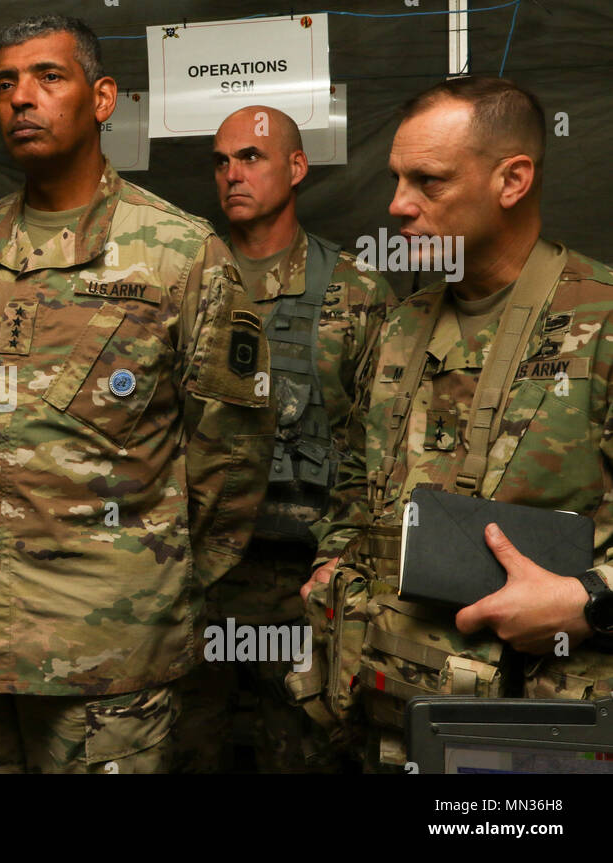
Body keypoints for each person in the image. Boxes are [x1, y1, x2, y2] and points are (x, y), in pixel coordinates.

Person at [0, 14, 275, 774]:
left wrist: (152, 579)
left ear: (103, 98)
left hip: (104, 652)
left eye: (47, 77)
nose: (21, 100)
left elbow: (232, 453)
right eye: (5, 85)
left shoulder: (178, 251)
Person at [299, 75, 613, 770]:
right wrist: (332, 564)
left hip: (539, 736)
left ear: (512, 179)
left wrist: (588, 598)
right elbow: (358, 476)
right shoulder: (398, 325)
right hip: (387, 712)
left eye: (428, 181)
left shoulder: (602, 324)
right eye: (396, 179)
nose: (398, 206)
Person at [173, 106, 397, 773]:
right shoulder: (179, 282)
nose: (231, 174)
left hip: (306, 582)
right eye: (220, 160)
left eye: (251, 157)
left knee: (305, 756)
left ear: (297, 168)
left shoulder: (356, 291)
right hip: (196, 580)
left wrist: (344, 565)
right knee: (181, 751)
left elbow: (381, 446)